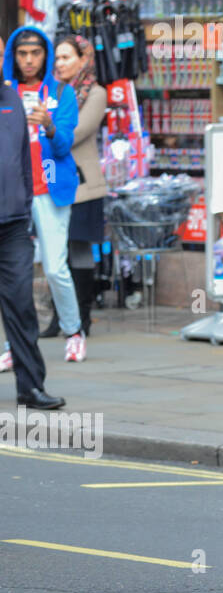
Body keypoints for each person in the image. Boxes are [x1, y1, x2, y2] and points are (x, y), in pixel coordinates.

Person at [3, 26, 83, 362]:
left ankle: (74, 330)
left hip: (49, 190)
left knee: (54, 267)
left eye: (35, 53)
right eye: (22, 53)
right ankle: (11, 346)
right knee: (8, 276)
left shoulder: (62, 92)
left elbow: (65, 144)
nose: (29, 60)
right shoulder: (5, 91)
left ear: (45, 55)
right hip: (11, 195)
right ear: (13, 56)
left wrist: (47, 124)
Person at [0, 57, 65, 409]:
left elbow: (24, 159)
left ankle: (30, 388)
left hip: (12, 225)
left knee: (22, 307)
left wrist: (24, 207)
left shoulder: (11, 99)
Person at [53, 35, 107, 337]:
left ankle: (82, 317)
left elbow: (76, 132)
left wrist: (48, 129)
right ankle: (60, 317)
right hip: (52, 181)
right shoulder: (51, 92)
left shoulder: (95, 93)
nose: (60, 64)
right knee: (54, 252)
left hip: (82, 183)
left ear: (82, 58)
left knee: (79, 248)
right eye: (57, 58)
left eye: (66, 57)